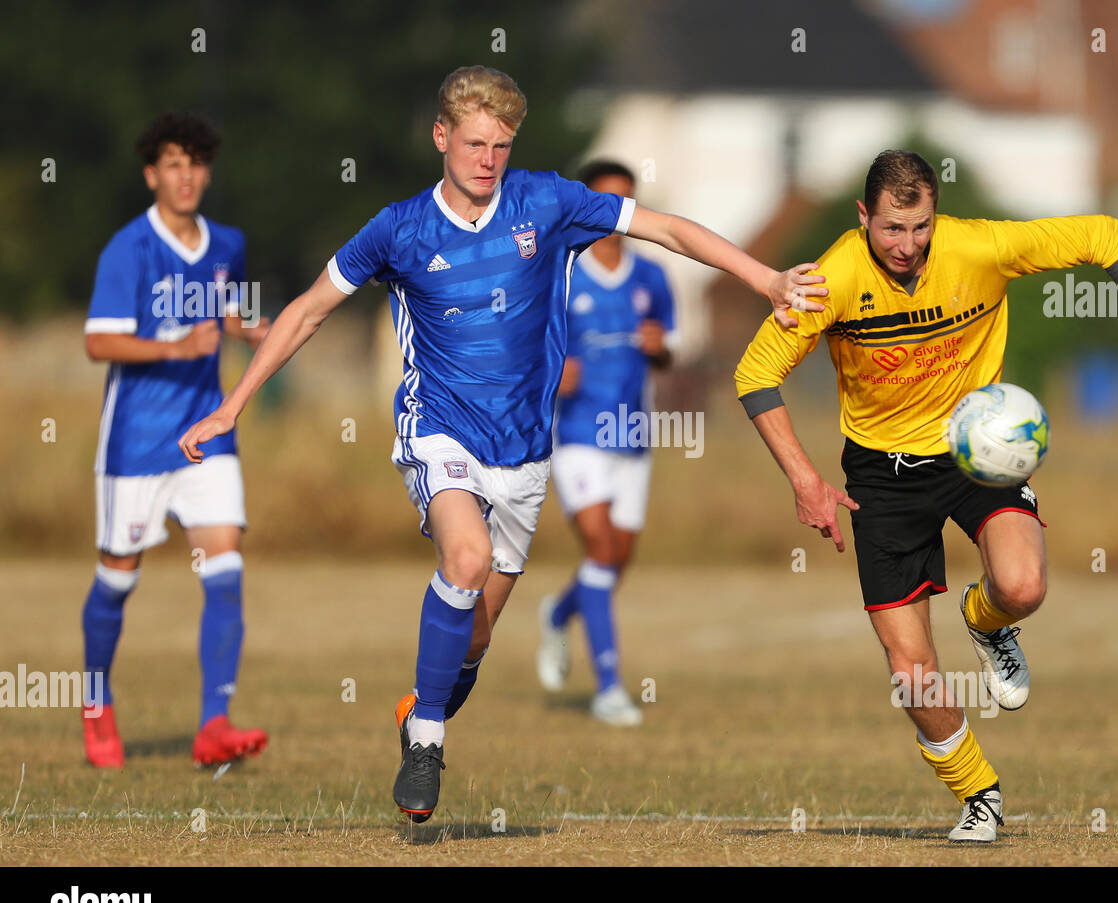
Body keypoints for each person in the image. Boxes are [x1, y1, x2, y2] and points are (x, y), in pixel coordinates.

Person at [178, 66, 826, 822]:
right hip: (439, 426)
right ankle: (426, 739)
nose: (489, 158)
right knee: (466, 558)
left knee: (475, 640)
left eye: (503, 145)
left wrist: (765, 277)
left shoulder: (548, 202)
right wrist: (232, 407)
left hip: (524, 451)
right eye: (476, 142)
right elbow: (307, 311)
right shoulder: (399, 230)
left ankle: (429, 700)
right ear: (442, 137)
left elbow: (669, 229)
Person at [734, 149, 1118, 842]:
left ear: (938, 214)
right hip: (881, 477)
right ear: (864, 216)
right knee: (911, 674)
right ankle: (979, 795)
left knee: (1023, 586)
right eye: (892, 229)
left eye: (920, 226)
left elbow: (1105, 234)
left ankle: (987, 622)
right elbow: (755, 375)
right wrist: (806, 480)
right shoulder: (830, 279)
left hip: (973, 451)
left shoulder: (980, 247)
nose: (907, 246)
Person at [82, 112, 271, 769]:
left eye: (195, 162)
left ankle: (214, 722)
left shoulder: (228, 242)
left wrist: (253, 329)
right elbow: (97, 341)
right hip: (135, 440)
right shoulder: (127, 249)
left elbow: (233, 307)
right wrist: (173, 345)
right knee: (116, 581)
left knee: (225, 567)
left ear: (207, 172)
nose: (185, 175)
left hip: (206, 432)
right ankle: (96, 704)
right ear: (151, 174)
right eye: (172, 163)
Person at [536, 160, 676, 727]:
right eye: (604, 201)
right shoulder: (560, 274)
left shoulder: (651, 278)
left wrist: (658, 346)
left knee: (617, 559)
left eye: (624, 202)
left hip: (632, 437)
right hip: (576, 436)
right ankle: (610, 686)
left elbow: (669, 350)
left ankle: (557, 612)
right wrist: (555, 373)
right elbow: (530, 350)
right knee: (599, 550)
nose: (613, 216)